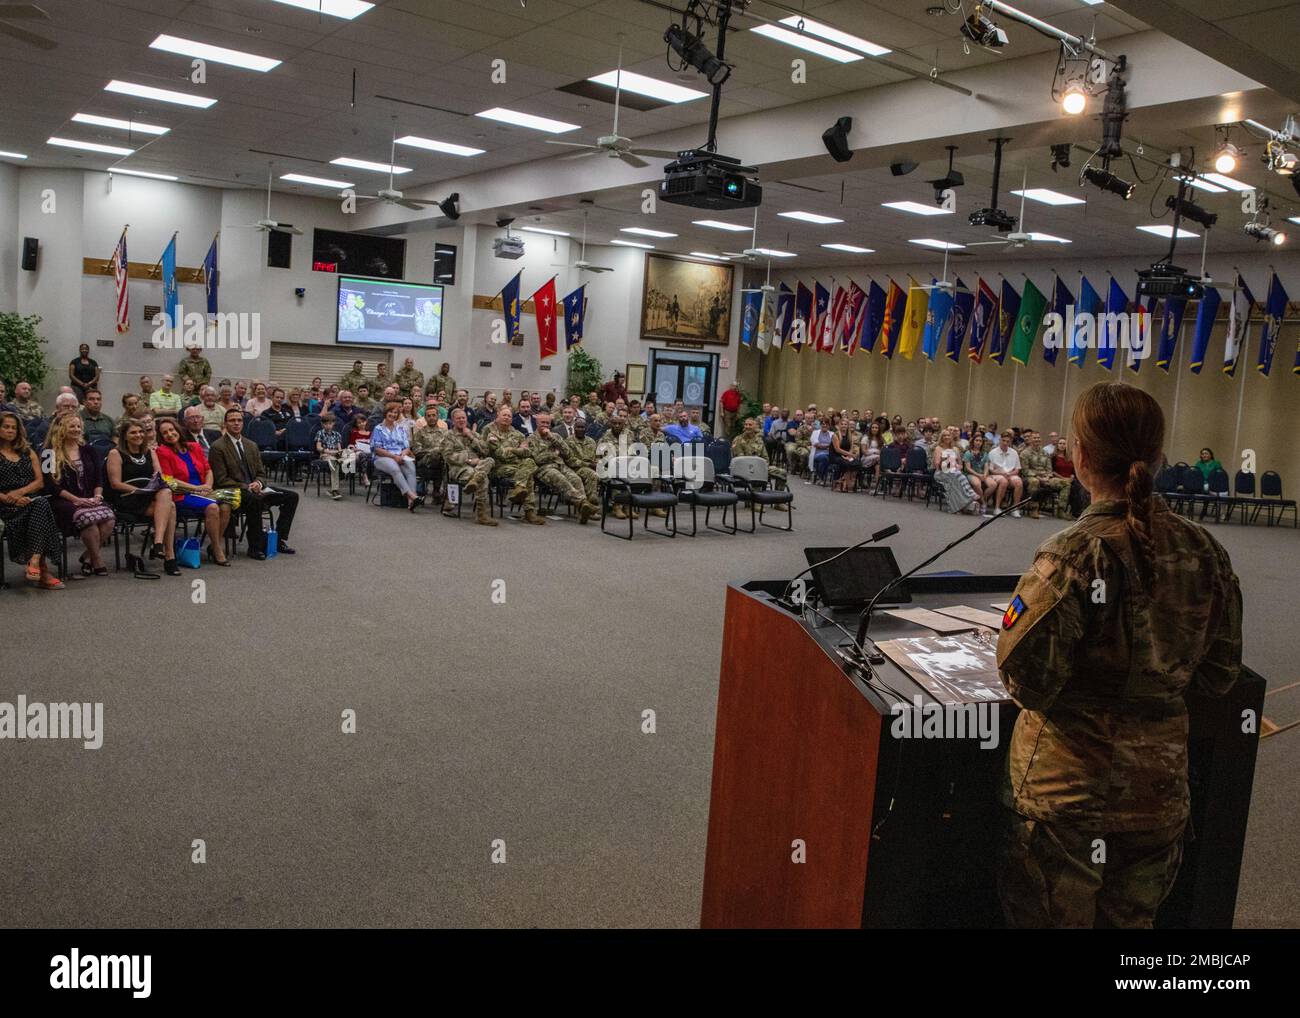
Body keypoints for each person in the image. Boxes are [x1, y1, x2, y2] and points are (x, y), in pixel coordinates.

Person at [996, 381, 1242, 929]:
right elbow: (1221, 674)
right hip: (1158, 795)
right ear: (1156, 456)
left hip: (1067, 797)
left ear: (1079, 458)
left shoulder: (1072, 553)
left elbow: (1028, 679)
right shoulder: (1206, 551)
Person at [208, 408, 298, 559]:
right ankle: (255, 547)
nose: (236, 423)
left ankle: (278, 540)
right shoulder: (218, 447)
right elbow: (221, 480)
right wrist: (247, 487)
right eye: (232, 420)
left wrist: (258, 483)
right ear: (225, 424)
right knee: (254, 500)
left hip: (256, 488)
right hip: (234, 491)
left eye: (239, 420)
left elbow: (261, 473)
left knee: (291, 497)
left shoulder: (251, 445)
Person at [42, 414, 116, 576]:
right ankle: (97, 561)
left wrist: (98, 496)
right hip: (63, 500)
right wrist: (77, 500)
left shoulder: (89, 450)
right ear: (60, 429)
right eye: (72, 426)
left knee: (109, 519)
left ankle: (87, 557)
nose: (76, 430)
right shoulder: (48, 453)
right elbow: (50, 486)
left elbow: (99, 478)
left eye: (78, 426)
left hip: (90, 498)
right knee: (89, 522)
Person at [153, 418, 230, 568]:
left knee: (226, 505)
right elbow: (170, 480)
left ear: (178, 430)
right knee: (213, 507)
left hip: (203, 490)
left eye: (171, 430)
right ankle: (217, 550)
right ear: (161, 437)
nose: (169, 434)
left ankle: (215, 543)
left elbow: (208, 469)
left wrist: (207, 485)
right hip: (181, 494)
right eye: (164, 433)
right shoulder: (162, 452)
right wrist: (197, 489)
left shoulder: (194, 446)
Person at [104, 419, 177, 575]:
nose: (138, 435)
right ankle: (169, 557)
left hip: (149, 496)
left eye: (141, 432)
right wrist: (139, 490)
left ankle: (159, 544)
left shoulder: (150, 452)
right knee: (170, 507)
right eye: (133, 432)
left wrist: (153, 487)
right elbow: (115, 483)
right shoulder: (115, 453)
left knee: (166, 494)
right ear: (124, 436)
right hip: (128, 497)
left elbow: (158, 475)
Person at [0, 412, 64, 588]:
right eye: (6, 426)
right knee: (41, 508)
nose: (10, 430)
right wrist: (10, 499)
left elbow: (39, 482)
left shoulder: (28, 451)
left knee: (40, 504)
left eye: (13, 427)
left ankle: (35, 561)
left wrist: (20, 493)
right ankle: (42, 569)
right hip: (4, 505)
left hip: (29, 499)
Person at [482, 405, 543, 524]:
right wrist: (517, 450)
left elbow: (527, 453)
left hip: (518, 466)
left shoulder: (518, 434)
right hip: (499, 467)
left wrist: (512, 450)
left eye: (509, 416)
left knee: (530, 462)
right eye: (504, 415)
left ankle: (519, 489)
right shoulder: (492, 434)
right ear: (498, 417)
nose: (506, 418)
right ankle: (529, 512)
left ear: (511, 419)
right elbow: (501, 455)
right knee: (528, 476)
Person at [441, 408, 495, 525]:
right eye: (458, 418)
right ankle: (481, 515)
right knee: (483, 478)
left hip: (477, 467)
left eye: (463, 418)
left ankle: (475, 480)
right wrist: (469, 460)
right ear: (453, 421)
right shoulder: (448, 436)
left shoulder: (473, 434)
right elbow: (448, 456)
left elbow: (485, 450)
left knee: (490, 460)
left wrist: (471, 437)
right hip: (458, 469)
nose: (461, 420)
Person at [369, 401, 419, 511]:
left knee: (410, 466)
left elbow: (407, 447)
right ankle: (411, 496)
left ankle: (412, 501)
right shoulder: (378, 429)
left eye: (396, 413)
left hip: (400, 456)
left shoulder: (400, 429)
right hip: (382, 457)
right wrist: (394, 457)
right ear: (386, 413)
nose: (393, 415)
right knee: (394, 468)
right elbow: (377, 449)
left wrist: (402, 455)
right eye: (391, 412)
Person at [1022, 430, 1070, 519]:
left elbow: (1049, 468)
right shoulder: (1025, 453)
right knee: (1034, 482)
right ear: (1030, 439)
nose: (1037, 439)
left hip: (1046, 477)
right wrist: (1038, 477)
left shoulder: (1045, 452)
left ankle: (1061, 509)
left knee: (1065, 483)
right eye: (1035, 438)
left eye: (1038, 438)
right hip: (1031, 477)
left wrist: (1047, 477)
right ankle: (1034, 509)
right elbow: (1025, 470)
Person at [932, 427, 981, 514]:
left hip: (954, 472)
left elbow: (961, 465)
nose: (947, 437)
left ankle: (956, 507)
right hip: (941, 473)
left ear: (951, 437)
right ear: (941, 437)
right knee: (955, 476)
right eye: (944, 435)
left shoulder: (955, 449)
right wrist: (945, 462)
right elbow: (936, 465)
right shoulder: (938, 448)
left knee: (956, 477)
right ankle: (969, 495)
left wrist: (957, 466)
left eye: (948, 435)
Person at [987, 429, 1024, 515]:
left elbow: (1017, 469)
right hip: (996, 474)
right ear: (1000, 440)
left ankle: (1015, 508)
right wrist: (1002, 474)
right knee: (1003, 481)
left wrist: (1009, 474)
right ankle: (997, 508)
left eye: (1008, 441)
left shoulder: (1014, 452)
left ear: (1010, 441)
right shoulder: (993, 452)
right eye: (1003, 440)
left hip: (1010, 474)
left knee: (1019, 482)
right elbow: (990, 470)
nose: (1005, 443)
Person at [314, 412, 346, 501]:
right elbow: (318, 447)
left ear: (333, 424)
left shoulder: (337, 434)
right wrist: (328, 451)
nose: (328, 426)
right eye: (325, 424)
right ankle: (334, 490)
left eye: (330, 424)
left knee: (349, 460)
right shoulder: (320, 433)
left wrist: (340, 453)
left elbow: (339, 449)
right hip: (326, 454)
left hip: (336, 454)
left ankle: (340, 479)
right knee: (334, 463)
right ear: (322, 424)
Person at [963, 432, 994, 511]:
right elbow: (968, 468)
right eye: (976, 440)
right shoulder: (968, 453)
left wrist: (985, 474)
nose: (978, 442)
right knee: (977, 484)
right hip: (971, 473)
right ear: (973, 441)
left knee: (993, 484)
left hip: (982, 473)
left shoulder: (985, 453)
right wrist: (978, 475)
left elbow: (986, 466)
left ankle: (982, 498)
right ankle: (983, 502)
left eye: (980, 441)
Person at [860, 421, 883, 486]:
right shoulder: (865, 438)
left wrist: (878, 453)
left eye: (876, 428)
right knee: (879, 458)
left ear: (878, 429)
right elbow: (864, 452)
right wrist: (874, 451)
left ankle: (876, 486)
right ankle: (886, 471)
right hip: (866, 459)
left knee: (878, 466)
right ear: (870, 429)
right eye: (873, 427)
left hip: (877, 460)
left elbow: (882, 452)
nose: (874, 429)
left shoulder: (881, 439)